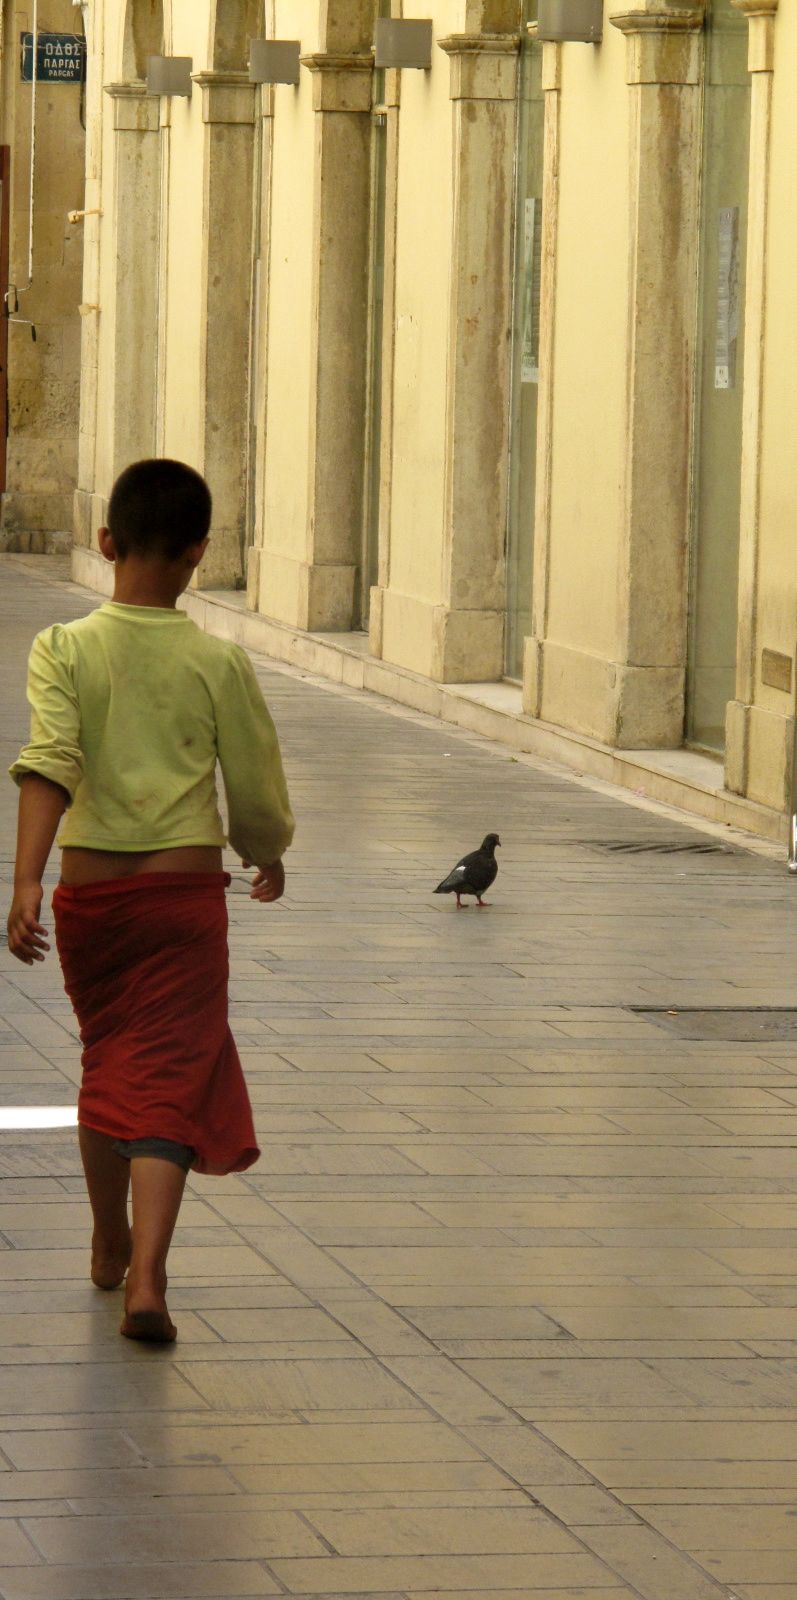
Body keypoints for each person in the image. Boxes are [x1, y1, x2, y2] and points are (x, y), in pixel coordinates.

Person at [6, 459, 294, 1344]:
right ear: (199, 554)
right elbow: (253, 786)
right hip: (181, 897)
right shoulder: (216, 660)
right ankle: (149, 1279)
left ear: (105, 541)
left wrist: (25, 879)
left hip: (93, 898)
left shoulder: (64, 648)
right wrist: (264, 851)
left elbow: (52, 761)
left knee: (107, 1059)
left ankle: (106, 1239)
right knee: (166, 1076)